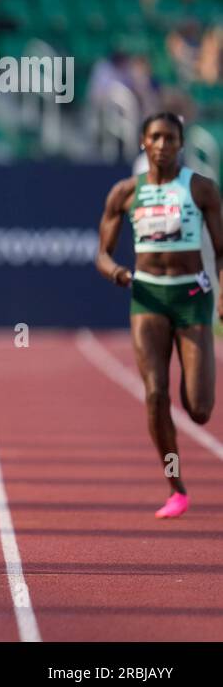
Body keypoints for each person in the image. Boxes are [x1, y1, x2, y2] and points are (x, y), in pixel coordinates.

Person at [95, 112, 220, 518]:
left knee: (199, 408)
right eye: (156, 137)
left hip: (191, 297)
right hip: (147, 298)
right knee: (153, 393)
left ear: (181, 143)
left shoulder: (200, 189)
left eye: (171, 138)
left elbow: (222, 249)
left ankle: (191, 385)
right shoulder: (126, 193)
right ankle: (175, 485)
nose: (163, 145)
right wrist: (113, 271)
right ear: (143, 144)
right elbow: (101, 253)